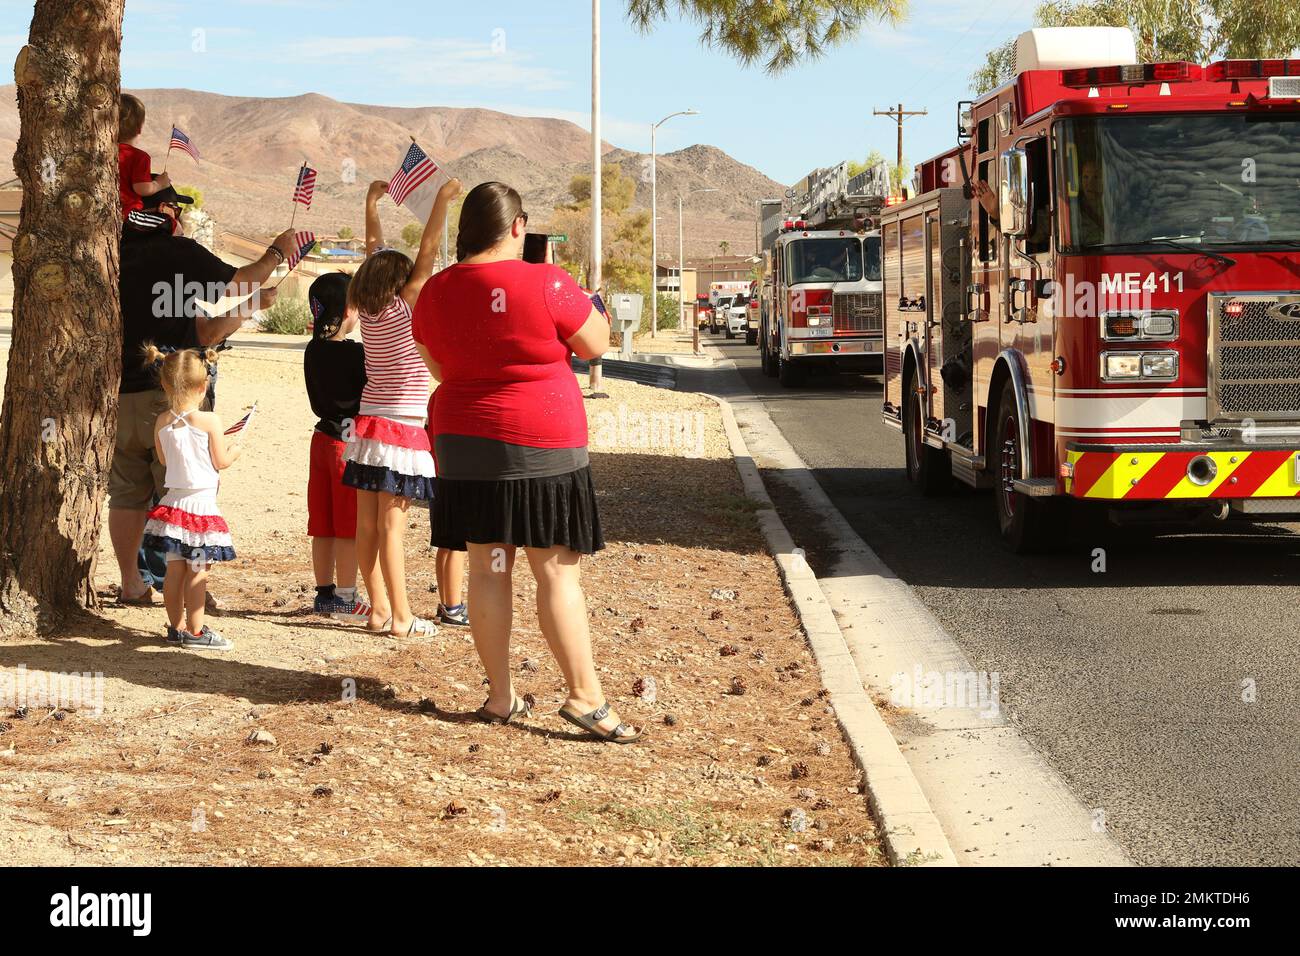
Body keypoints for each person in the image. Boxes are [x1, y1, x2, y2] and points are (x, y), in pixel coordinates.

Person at [412, 181, 642, 744]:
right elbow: (597, 344)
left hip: (465, 443)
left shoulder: (435, 292)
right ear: (517, 227)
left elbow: (440, 369)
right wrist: (581, 297)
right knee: (556, 571)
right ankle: (586, 698)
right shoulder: (548, 281)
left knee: (489, 568)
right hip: (542, 440)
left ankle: (500, 696)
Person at [111, 187, 295, 605]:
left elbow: (207, 327)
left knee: (126, 495)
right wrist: (277, 253)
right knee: (183, 493)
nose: (179, 214)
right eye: (175, 206)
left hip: (119, 395)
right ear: (163, 211)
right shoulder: (180, 254)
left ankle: (132, 584)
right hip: (172, 399)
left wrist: (250, 306)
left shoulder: (111, 253)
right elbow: (239, 285)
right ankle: (189, 592)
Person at [339, 177, 461, 638]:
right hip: (401, 429)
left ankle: (377, 610)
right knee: (393, 530)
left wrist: (371, 202)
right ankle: (404, 618)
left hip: (367, 426)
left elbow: (374, 249)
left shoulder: (369, 309)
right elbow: (428, 248)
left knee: (366, 527)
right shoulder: (407, 305)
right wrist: (444, 200)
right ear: (401, 281)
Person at [139, 347, 240, 650]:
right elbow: (220, 461)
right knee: (197, 572)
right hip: (200, 509)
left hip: (172, 506)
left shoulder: (161, 421)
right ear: (203, 386)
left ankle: (176, 627)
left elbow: (164, 459)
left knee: (174, 570)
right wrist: (235, 451)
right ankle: (196, 632)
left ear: (165, 385)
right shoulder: (209, 421)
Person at [303, 272, 371, 621]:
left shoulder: (313, 349)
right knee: (348, 526)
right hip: (348, 443)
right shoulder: (357, 354)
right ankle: (347, 597)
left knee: (324, 523)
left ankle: (325, 594)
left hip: (321, 440)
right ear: (347, 310)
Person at [426, 390, 468, 628]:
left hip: (437, 472)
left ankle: (447, 604)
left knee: (446, 544)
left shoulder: (439, 394)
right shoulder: (456, 395)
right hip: (453, 475)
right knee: (456, 546)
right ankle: (453, 607)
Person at [118, 94, 171, 219]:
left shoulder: (102, 152)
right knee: (173, 225)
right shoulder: (138, 157)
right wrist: (159, 184)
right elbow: (142, 189)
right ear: (139, 129)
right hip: (129, 215)